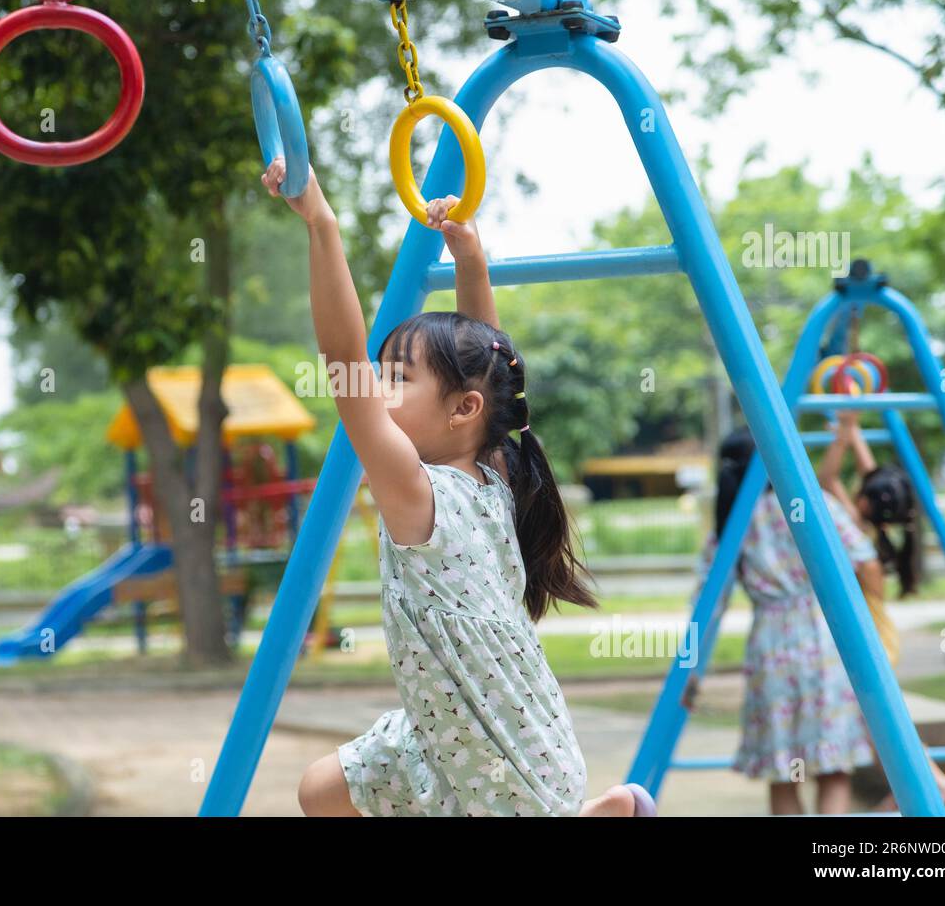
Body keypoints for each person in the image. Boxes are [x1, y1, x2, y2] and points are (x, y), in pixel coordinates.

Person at [264, 158, 655, 817]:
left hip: (502, 750)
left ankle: (593, 814)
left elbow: (343, 364)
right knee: (323, 791)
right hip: (440, 724)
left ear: (463, 411)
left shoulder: (420, 495)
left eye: (397, 378)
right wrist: (469, 260)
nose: (377, 389)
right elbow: (490, 365)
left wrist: (322, 226)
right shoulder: (490, 476)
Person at [698, 427, 877, 815]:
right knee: (833, 769)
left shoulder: (730, 524)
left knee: (784, 771)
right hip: (824, 640)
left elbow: (708, 603)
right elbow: (863, 554)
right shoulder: (811, 504)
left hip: (770, 647)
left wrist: (692, 670)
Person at [817, 411, 945, 809]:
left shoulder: (854, 532)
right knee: (882, 728)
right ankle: (929, 781)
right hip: (881, 638)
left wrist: (842, 441)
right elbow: (881, 485)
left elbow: (826, 482)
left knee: (882, 731)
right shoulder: (877, 530)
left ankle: (932, 783)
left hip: (869, 644)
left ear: (862, 500)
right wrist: (853, 434)